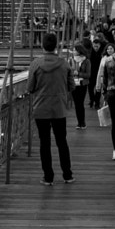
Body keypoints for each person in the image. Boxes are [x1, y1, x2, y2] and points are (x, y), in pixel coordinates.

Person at [26, 32, 75, 185]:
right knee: (62, 142)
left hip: (41, 108)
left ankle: (48, 177)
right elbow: (71, 85)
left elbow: (30, 88)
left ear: (42, 45)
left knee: (44, 143)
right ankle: (67, 175)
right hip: (59, 108)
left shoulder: (35, 64)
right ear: (56, 45)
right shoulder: (64, 63)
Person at [69, 40, 91, 129]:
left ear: (79, 51)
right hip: (74, 84)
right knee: (77, 103)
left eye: (75, 50)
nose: (73, 52)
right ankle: (79, 122)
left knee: (80, 103)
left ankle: (82, 122)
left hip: (83, 84)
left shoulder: (86, 61)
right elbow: (68, 71)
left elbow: (88, 75)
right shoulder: (71, 60)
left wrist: (78, 73)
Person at [88, 35, 105, 109]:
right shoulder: (90, 52)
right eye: (94, 46)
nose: (95, 48)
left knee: (98, 88)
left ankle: (97, 102)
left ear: (100, 46)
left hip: (99, 73)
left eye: (97, 46)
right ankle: (92, 99)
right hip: (91, 73)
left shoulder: (102, 53)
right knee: (90, 88)